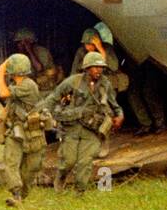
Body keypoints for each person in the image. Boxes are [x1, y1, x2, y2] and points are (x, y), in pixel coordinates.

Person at [41, 51, 124, 191]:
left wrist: (120, 115)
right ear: (87, 68)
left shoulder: (105, 84)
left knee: (85, 163)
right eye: (95, 67)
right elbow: (53, 98)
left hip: (92, 130)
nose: (99, 70)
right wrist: (44, 114)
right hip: (72, 127)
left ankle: (80, 192)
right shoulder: (74, 81)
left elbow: (114, 105)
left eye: (101, 67)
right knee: (68, 161)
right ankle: (61, 178)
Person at [0, 53, 50, 207]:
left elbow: (3, 93)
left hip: (31, 131)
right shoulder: (18, 86)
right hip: (15, 130)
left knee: (31, 168)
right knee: (11, 162)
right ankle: (16, 195)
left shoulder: (28, 85)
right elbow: (10, 104)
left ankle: (22, 195)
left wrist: (0, 74)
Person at [12, 27, 62, 94]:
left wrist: (29, 50)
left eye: (20, 42)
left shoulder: (42, 51)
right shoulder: (19, 55)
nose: (18, 45)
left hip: (45, 89)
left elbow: (39, 68)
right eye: (17, 43)